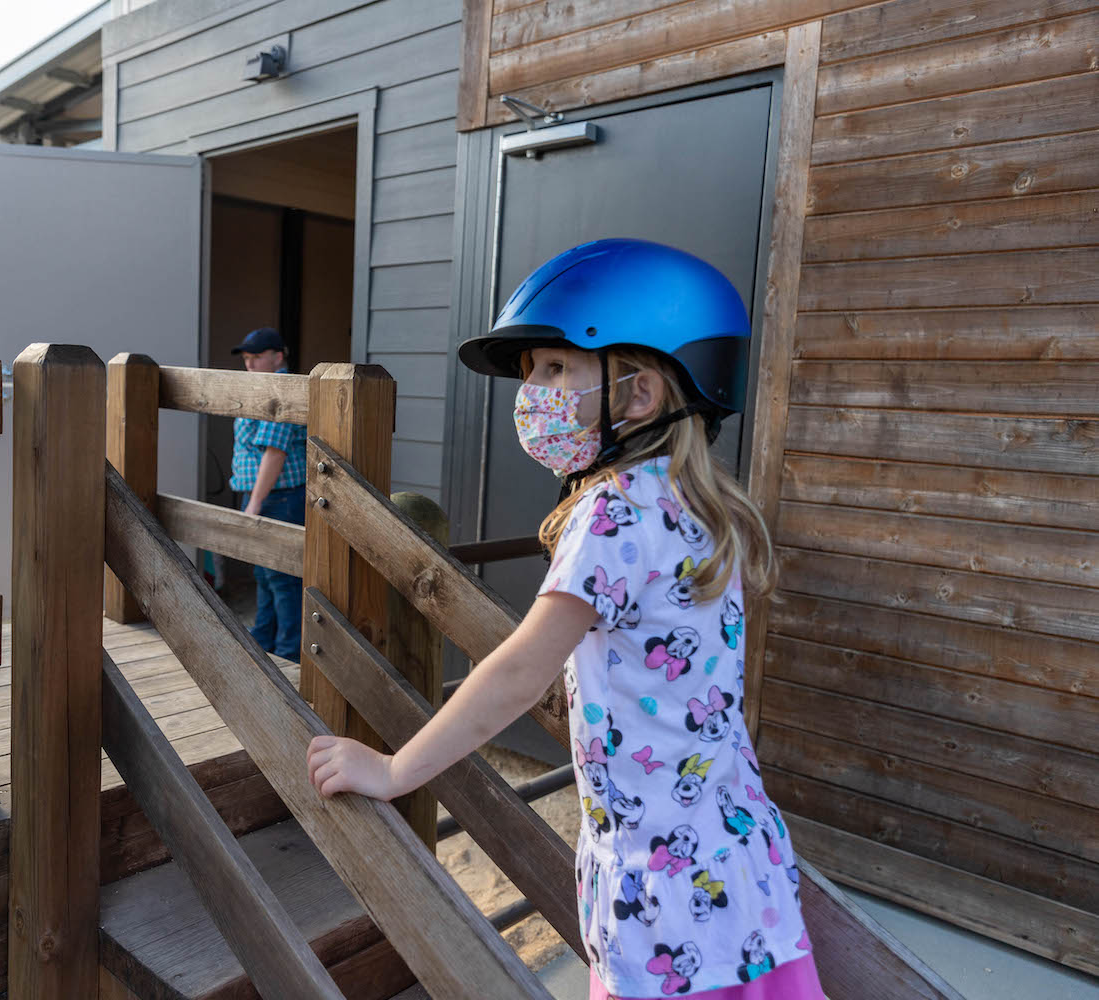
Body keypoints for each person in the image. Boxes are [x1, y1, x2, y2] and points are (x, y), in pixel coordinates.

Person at [306, 240, 825, 999]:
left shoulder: (613, 513)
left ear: (639, 395)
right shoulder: (702, 509)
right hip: (741, 871)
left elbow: (521, 670)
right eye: (531, 372)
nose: (532, 391)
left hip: (661, 901)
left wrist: (393, 770)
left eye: (554, 367)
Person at [229, 327, 308, 662]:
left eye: (257, 357)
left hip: (279, 496)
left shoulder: (282, 389)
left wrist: (255, 503)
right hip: (263, 494)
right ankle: (264, 642)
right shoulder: (260, 388)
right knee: (264, 573)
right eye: (246, 358)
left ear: (278, 356)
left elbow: (274, 453)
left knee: (282, 578)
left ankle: (289, 653)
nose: (250, 364)